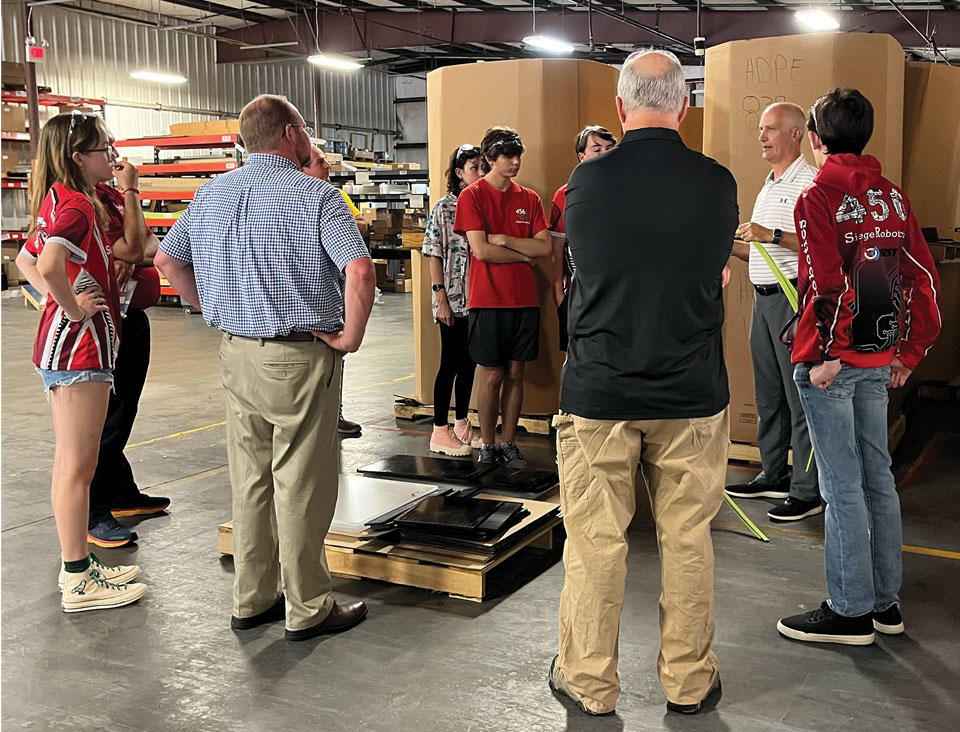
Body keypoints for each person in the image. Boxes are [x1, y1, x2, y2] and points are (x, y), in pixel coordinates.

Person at [549, 50, 737, 717]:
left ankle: (589, 682)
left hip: (600, 390)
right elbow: (711, 272)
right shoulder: (717, 183)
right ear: (684, 105)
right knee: (687, 540)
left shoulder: (586, 183)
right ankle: (689, 681)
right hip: (691, 391)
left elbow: (593, 270)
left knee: (595, 542)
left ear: (621, 107)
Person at [156, 94, 376, 641]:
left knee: (250, 479)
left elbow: (166, 260)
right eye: (304, 130)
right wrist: (349, 337)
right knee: (301, 482)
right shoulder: (318, 196)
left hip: (236, 353)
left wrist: (211, 307)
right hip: (298, 358)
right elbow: (360, 272)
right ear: (290, 133)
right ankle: (309, 606)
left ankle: (253, 599)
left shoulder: (211, 194)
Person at [777, 88, 941, 646]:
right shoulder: (892, 197)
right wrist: (910, 351)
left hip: (833, 362)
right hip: (878, 359)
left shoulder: (817, 197)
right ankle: (884, 605)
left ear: (815, 139)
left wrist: (827, 353)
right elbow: (923, 277)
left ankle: (849, 611)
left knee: (842, 487)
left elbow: (825, 283)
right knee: (877, 480)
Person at [16, 111, 148, 612]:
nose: (111, 157)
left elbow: (26, 260)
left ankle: (77, 567)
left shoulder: (59, 198)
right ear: (78, 157)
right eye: (102, 149)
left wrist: (60, 301)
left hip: (68, 348)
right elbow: (48, 265)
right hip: (81, 350)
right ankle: (77, 579)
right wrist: (73, 308)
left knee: (69, 464)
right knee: (79, 467)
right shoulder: (77, 205)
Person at [725, 103, 822, 523]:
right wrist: (725, 244)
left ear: (796, 133)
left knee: (799, 397)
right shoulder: (769, 185)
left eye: (770, 129)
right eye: (761, 129)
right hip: (764, 300)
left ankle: (806, 491)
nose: (762, 136)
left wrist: (772, 234)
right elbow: (762, 251)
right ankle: (773, 474)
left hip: (792, 299)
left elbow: (820, 246)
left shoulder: (810, 183)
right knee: (769, 394)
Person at [453, 126, 551, 468]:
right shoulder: (472, 196)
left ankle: (509, 442)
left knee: (516, 373)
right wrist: (524, 254)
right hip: (488, 300)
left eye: (518, 155)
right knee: (492, 374)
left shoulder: (530, 199)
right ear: (490, 159)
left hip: (525, 300)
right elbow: (481, 250)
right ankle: (488, 443)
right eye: (508, 156)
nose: (515, 162)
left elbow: (544, 248)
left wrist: (506, 240)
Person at [423, 144, 484, 456]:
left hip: (479, 299)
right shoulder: (444, 208)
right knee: (449, 362)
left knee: (469, 363)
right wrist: (441, 298)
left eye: (484, 167)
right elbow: (433, 254)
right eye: (475, 168)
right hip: (452, 298)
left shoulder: (484, 204)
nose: (481, 173)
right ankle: (439, 429)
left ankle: (461, 423)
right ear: (460, 173)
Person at [302, 144, 367, 436]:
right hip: (309, 296)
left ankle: (334, 413)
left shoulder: (334, 195)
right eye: (320, 162)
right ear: (303, 167)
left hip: (335, 287)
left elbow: (363, 224)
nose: (328, 166)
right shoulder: (305, 199)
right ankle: (323, 416)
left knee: (335, 355)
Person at [549, 125, 617, 351]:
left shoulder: (625, 191)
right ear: (582, 156)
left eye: (609, 148)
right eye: (597, 149)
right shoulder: (564, 195)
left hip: (617, 297)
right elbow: (555, 251)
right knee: (576, 360)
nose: (604, 154)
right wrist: (559, 296)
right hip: (576, 296)